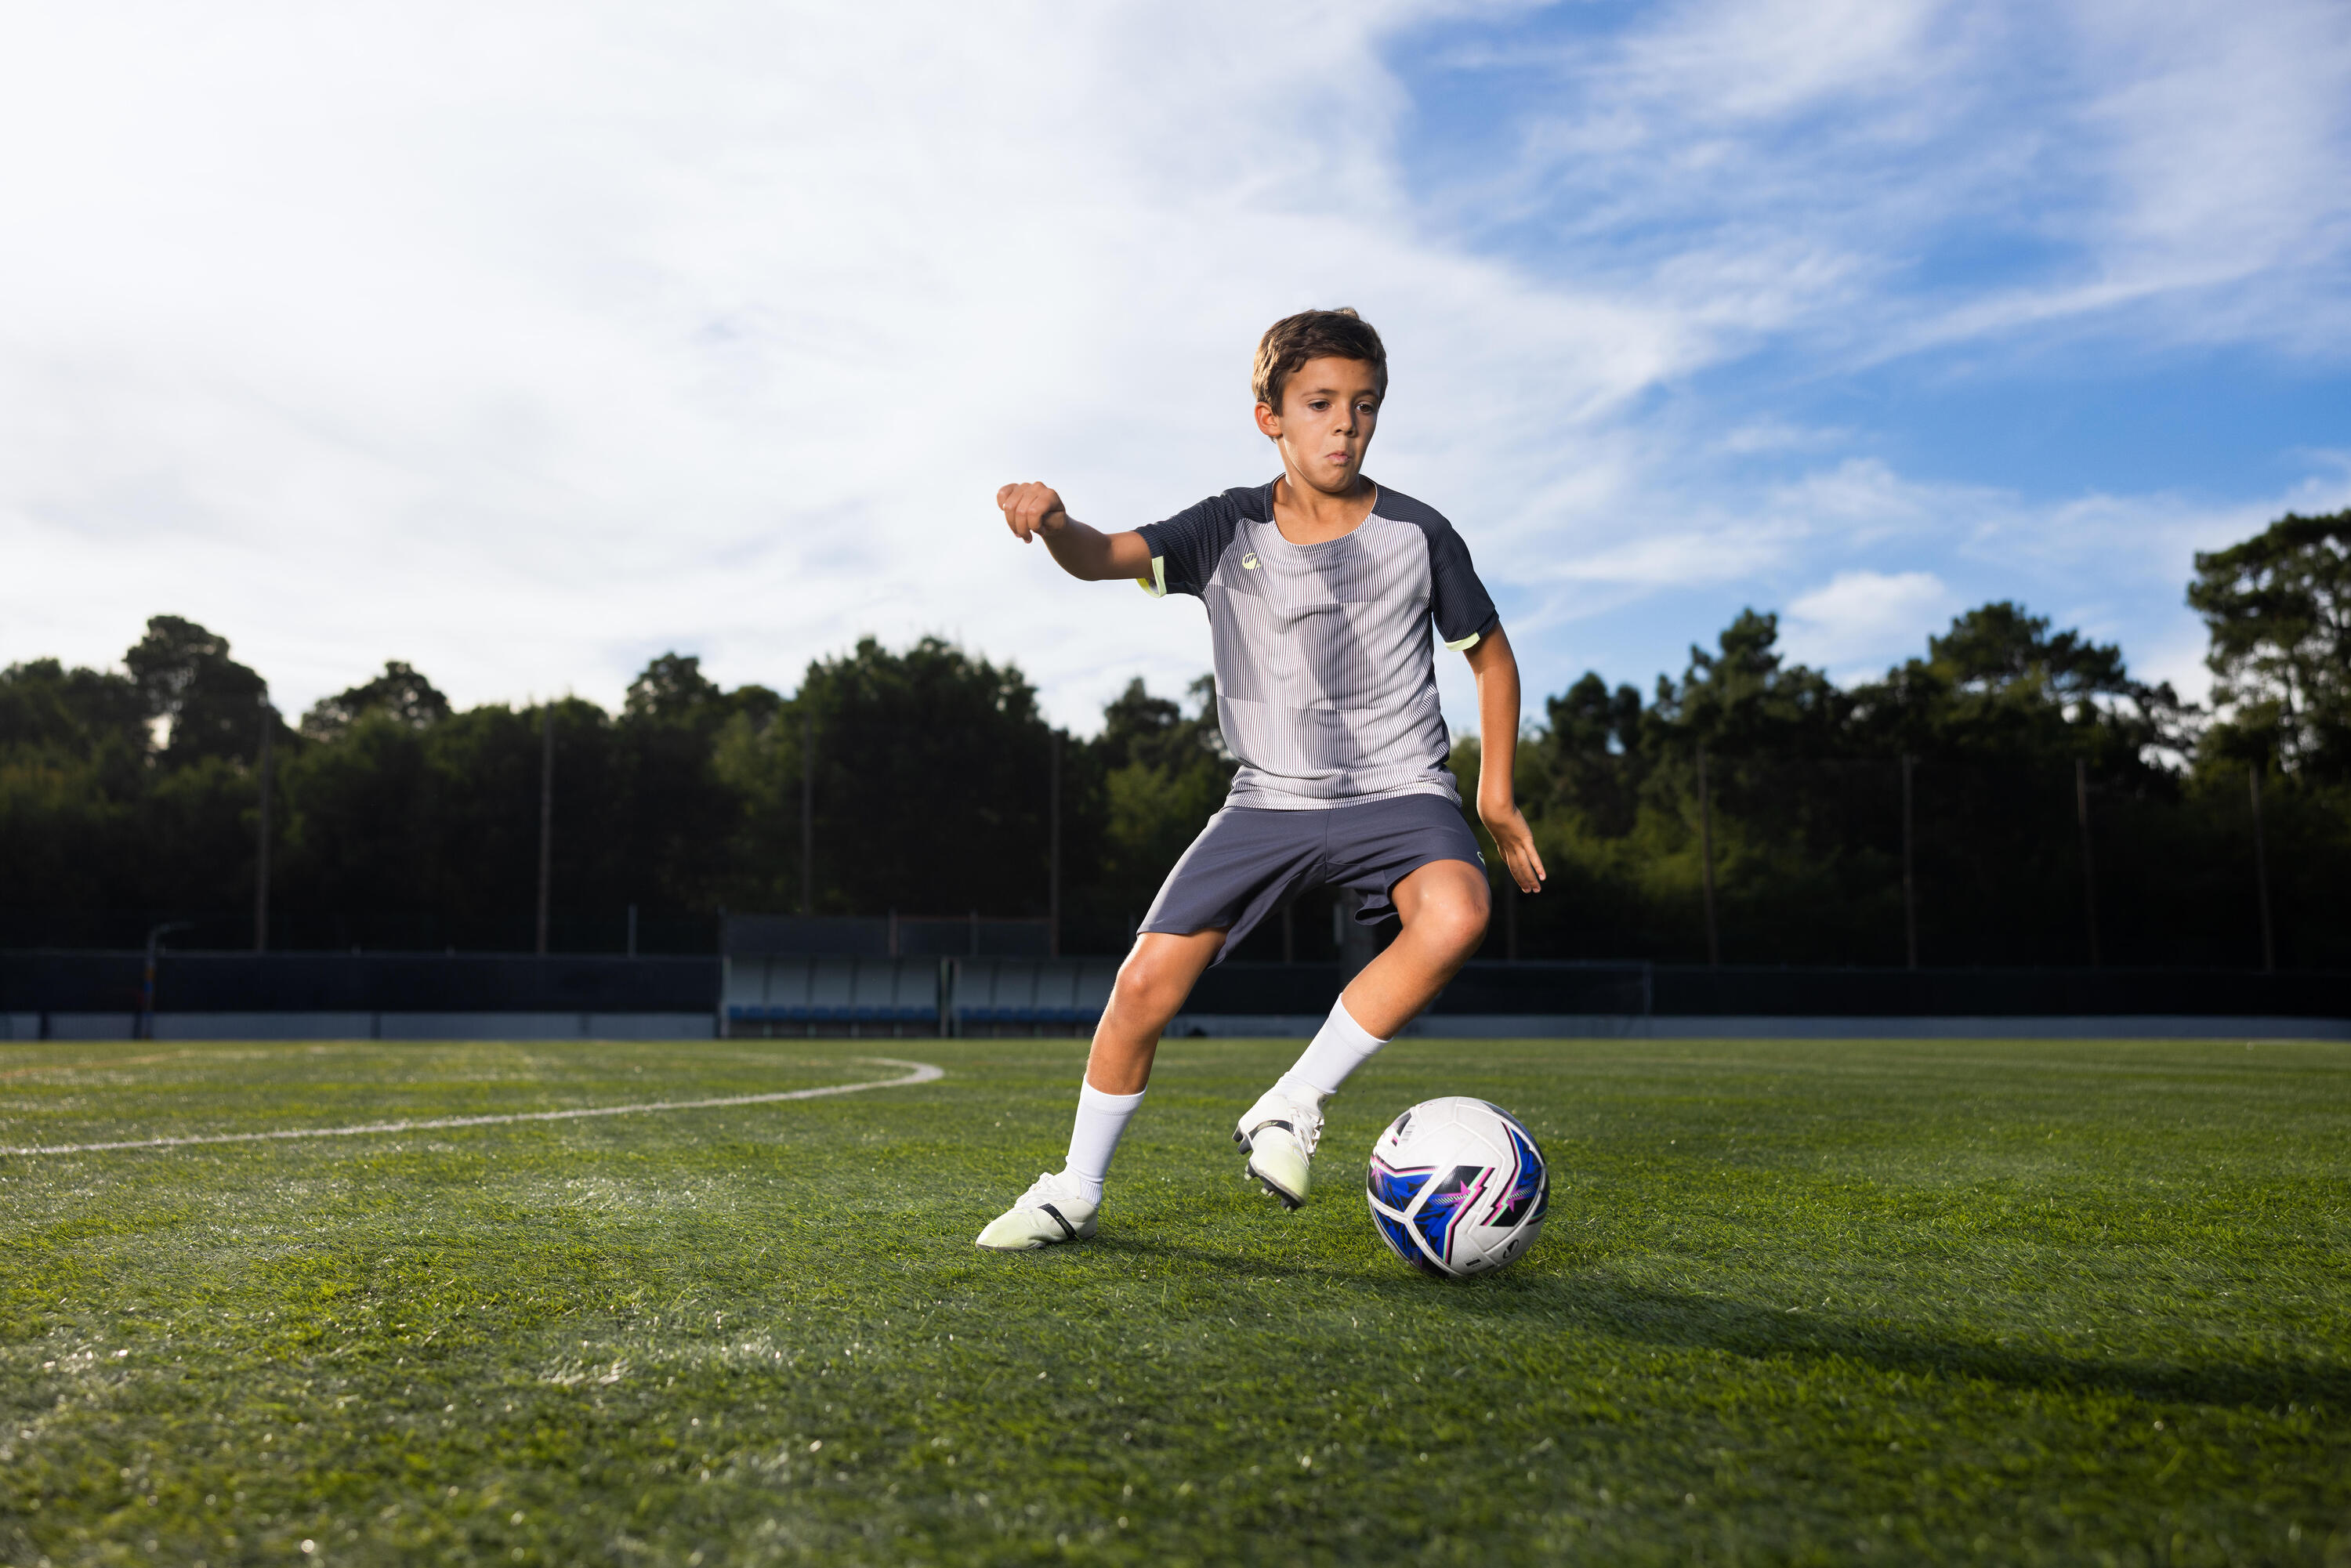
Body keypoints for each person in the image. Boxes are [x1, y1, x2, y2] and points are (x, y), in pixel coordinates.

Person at [976, 307, 1545, 1250]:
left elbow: (1490, 654)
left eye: (1365, 406)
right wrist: (1057, 522)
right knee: (1144, 985)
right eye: (1320, 403)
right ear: (1269, 417)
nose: (1346, 424)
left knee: (1458, 911)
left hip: (1399, 793)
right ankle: (1071, 1189)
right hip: (1268, 800)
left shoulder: (1420, 532)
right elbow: (1103, 559)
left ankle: (1291, 1104)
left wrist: (1494, 792)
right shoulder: (1223, 529)